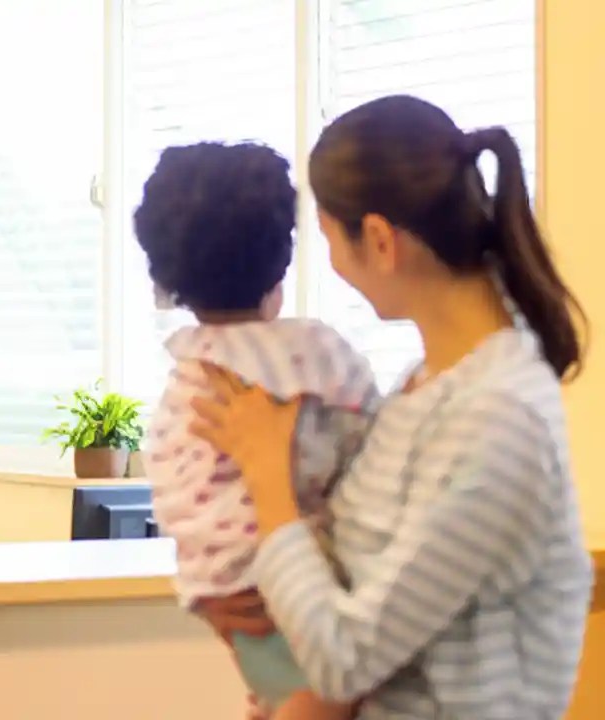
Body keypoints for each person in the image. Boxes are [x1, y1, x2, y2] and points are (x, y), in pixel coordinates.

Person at [189, 94, 593, 719]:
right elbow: (348, 601)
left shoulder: (500, 421)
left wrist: (268, 478)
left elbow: (346, 656)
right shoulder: (420, 391)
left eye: (327, 237)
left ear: (378, 240)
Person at [134, 141, 377, 720]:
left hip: (227, 600)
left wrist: (209, 578)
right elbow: (375, 444)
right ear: (282, 259)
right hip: (312, 587)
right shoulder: (318, 355)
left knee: (282, 698)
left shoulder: (185, 383)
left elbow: (173, 499)